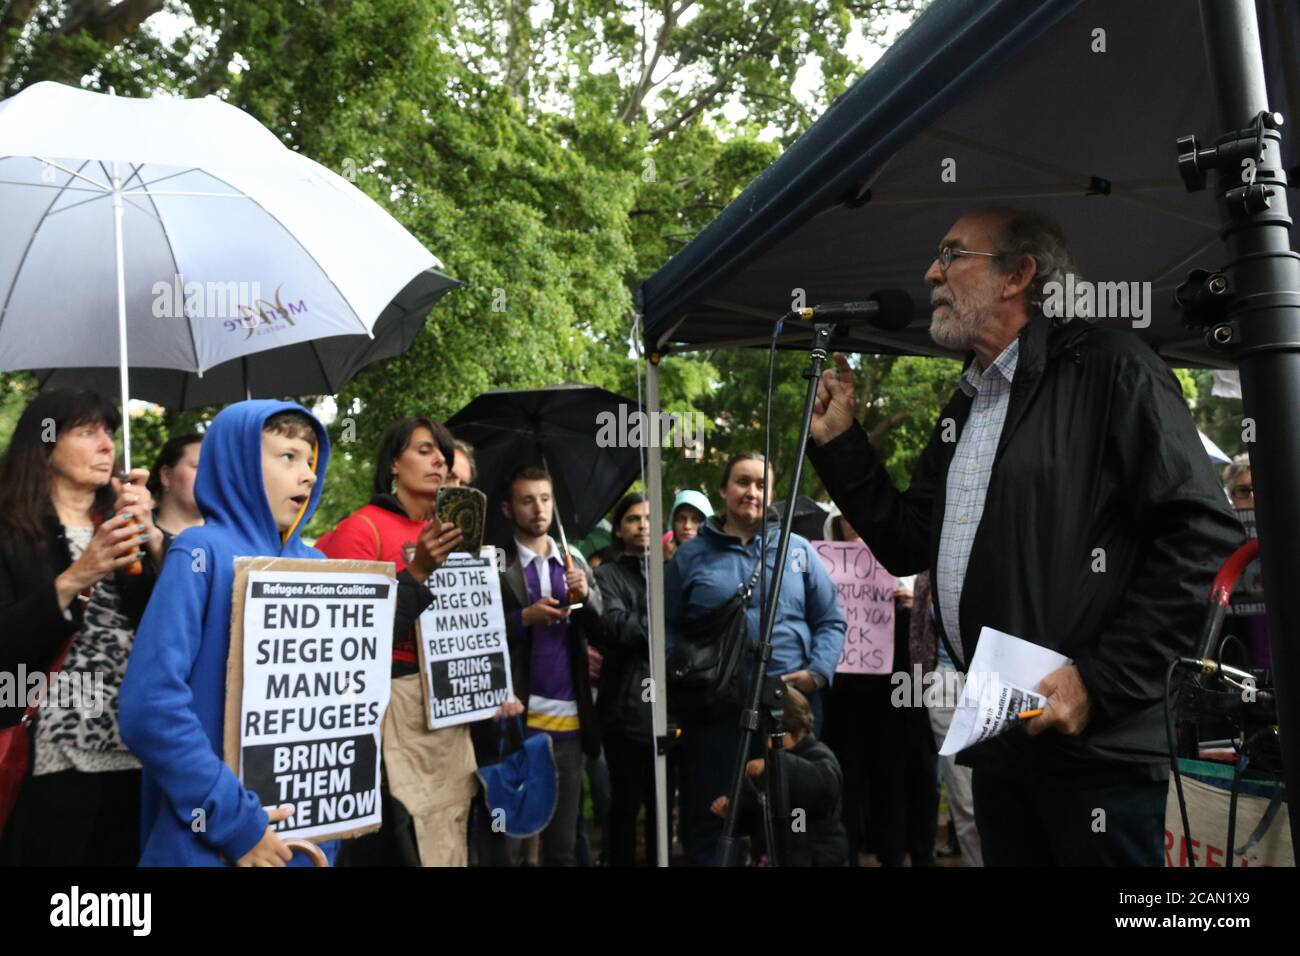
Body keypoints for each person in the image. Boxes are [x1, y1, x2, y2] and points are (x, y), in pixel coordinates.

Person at [807, 207, 1244, 866]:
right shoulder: (969, 400)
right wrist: (842, 444)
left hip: (1099, 752)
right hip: (1005, 739)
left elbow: (1204, 539)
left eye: (951, 255)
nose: (930, 274)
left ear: (1018, 275)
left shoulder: (1113, 367)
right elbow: (909, 542)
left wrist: (1098, 681)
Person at [120, 401, 434, 866]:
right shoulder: (199, 553)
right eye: (288, 457)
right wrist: (237, 824)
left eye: (310, 462)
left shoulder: (320, 565)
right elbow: (150, 707)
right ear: (239, 466)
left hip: (308, 847)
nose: (307, 476)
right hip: (211, 844)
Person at [319, 416, 491, 867]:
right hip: (388, 714)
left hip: (448, 713)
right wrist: (417, 573)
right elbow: (351, 642)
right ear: (394, 463)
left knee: (448, 831)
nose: (439, 462)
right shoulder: (361, 529)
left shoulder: (453, 536)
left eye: (443, 455)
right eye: (424, 450)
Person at [0, 389, 163, 866]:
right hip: (49, 747)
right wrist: (76, 576)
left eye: (109, 433)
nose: (107, 445)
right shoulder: (10, 528)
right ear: (45, 442)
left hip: (133, 738)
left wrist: (154, 538)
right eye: (87, 432)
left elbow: (168, 622)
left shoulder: (123, 524)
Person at [666, 453, 845, 866]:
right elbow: (665, 625)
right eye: (743, 482)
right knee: (713, 817)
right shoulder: (690, 557)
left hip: (788, 711)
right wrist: (683, 671)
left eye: (762, 485)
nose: (752, 492)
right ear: (723, 490)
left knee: (790, 821)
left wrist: (818, 672)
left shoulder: (798, 552)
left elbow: (831, 619)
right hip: (713, 714)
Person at [475, 465, 603, 866]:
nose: (538, 509)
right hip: (516, 720)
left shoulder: (573, 559)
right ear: (508, 509)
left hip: (570, 723)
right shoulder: (493, 561)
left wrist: (587, 597)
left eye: (545, 499)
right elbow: (476, 635)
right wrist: (522, 619)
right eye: (527, 500)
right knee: (506, 841)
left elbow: (606, 630)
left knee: (562, 846)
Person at [708, 686, 848, 866]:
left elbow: (823, 789)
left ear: (797, 729)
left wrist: (778, 765)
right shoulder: (766, 763)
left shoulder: (818, 755)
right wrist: (734, 812)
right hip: (773, 856)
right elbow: (756, 811)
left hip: (817, 857)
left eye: (776, 736)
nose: (768, 743)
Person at [593, 493, 657, 865]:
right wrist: (662, 620)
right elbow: (618, 628)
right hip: (622, 709)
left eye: (648, 518)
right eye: (633, 519)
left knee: (661, 804)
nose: (642, 525)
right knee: (625, 805)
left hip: (668, 707)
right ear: (619, 529)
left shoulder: (671, 572)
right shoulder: (606, 575)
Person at [913, 569, 983, 865]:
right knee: (963, 799)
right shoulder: (927, 575)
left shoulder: (1000, 558)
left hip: (990, 682)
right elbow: (919, 636)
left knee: (994, 795)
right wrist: (921, 684)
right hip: (944, 683)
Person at [147, 432, 204, 545]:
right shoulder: (134, 540)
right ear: (166, 476)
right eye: (199, 466)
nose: (213, 475)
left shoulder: (233, 538)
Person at [662, 489, 712, 560]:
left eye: (695, 520)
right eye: (681, 519)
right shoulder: (660, 564)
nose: (687, 526)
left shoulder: (719, 562)